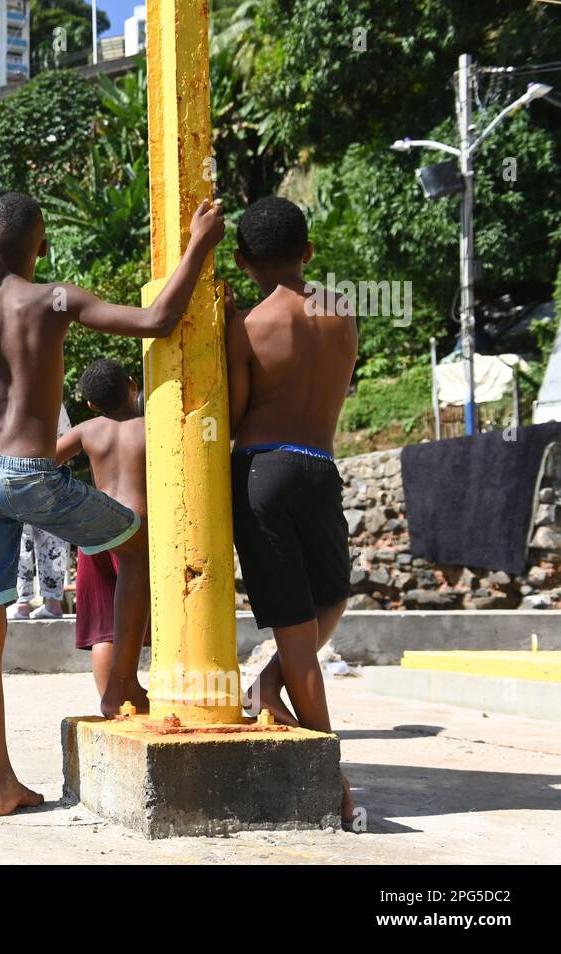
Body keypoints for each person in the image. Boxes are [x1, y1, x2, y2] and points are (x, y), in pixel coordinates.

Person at [0, 190, 226, 816]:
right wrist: (199, 243)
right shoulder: (55, 298)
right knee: (137, 547)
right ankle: (118, 690)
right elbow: (158, 320)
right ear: (44, 245)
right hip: (30, 472)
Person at [225, 196, 359, 822]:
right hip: (319, 464)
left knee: (298, 636)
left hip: (262, 469)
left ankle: (330, 775)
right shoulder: (342, 314)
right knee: (333, 596)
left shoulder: (249, 326)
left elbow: (236, 412)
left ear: (243, 260)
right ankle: (274, 682)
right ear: (308, 252)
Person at [56, 360, 148, 702]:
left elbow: (45, 462)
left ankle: (111, 700)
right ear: (132, 383)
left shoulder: (86, 430)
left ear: (92, 404)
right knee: (135, 620)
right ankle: (127, 689)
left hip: (96, 532)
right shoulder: (153, 427)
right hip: (139, 534)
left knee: (103, 629)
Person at [12, 406, 73, 620]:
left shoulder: (12, 394)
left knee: (21, 539)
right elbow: (67, 435)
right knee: (54, 541)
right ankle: (53, 603)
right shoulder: (52, 392)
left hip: (17, 473)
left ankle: (22, 603)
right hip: (51, 474)